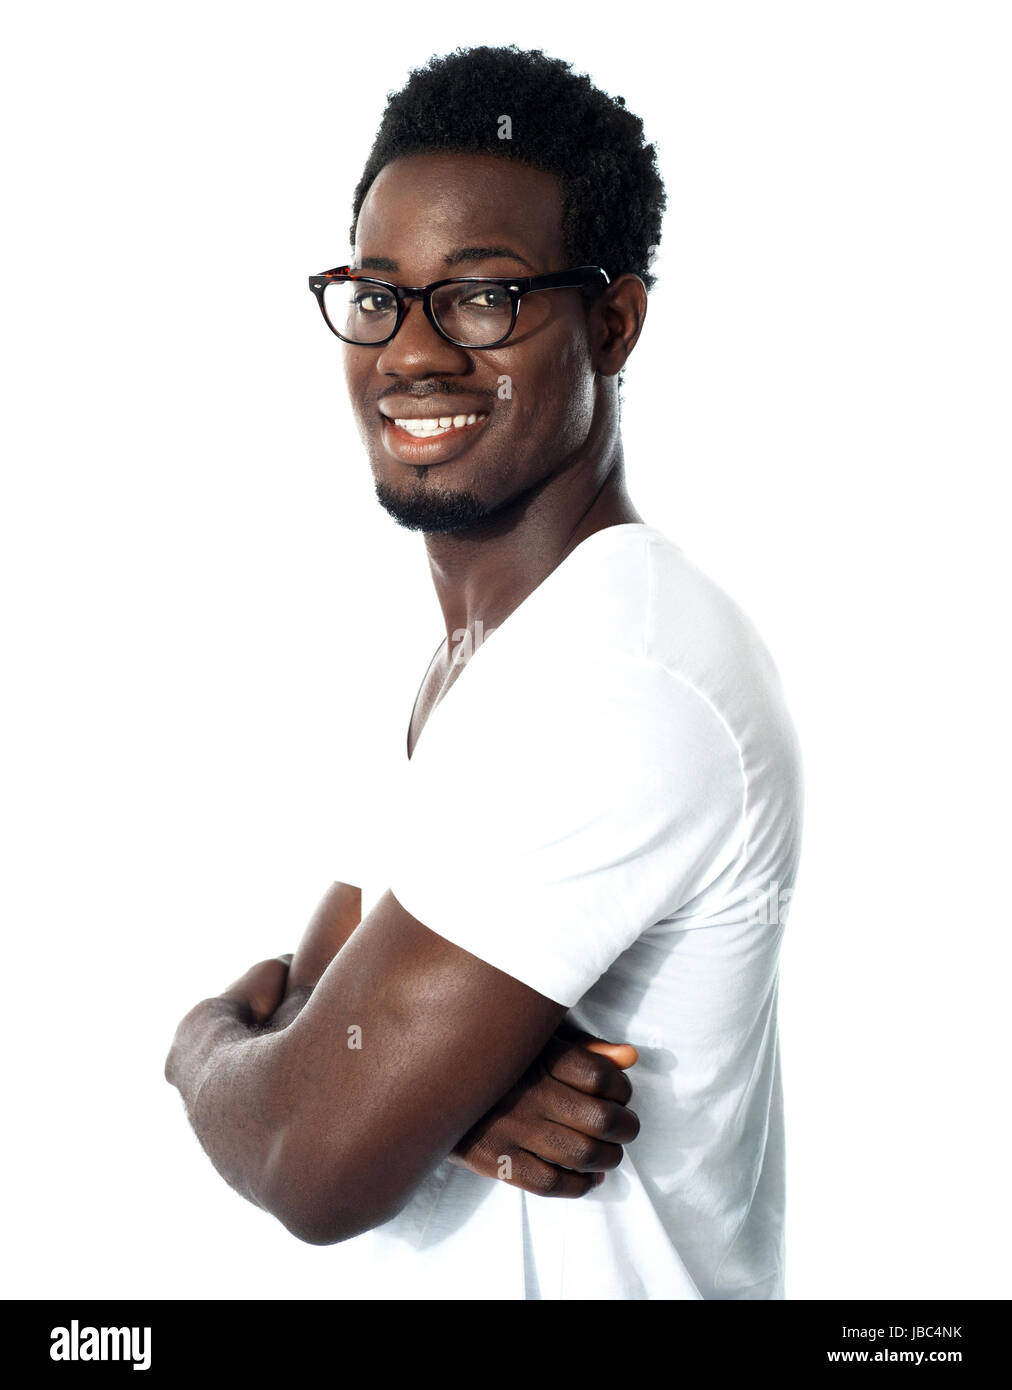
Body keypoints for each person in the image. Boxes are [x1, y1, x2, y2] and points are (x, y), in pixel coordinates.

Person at [165, 45, 804, 1301]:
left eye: (483, 296)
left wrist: (194, 1048)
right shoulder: (468, 661)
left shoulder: (620, 674)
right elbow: (316, 1017)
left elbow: (310, 1157)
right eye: (377, 291)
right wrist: (429, 1085)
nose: (411, 351)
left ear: (612, 322)